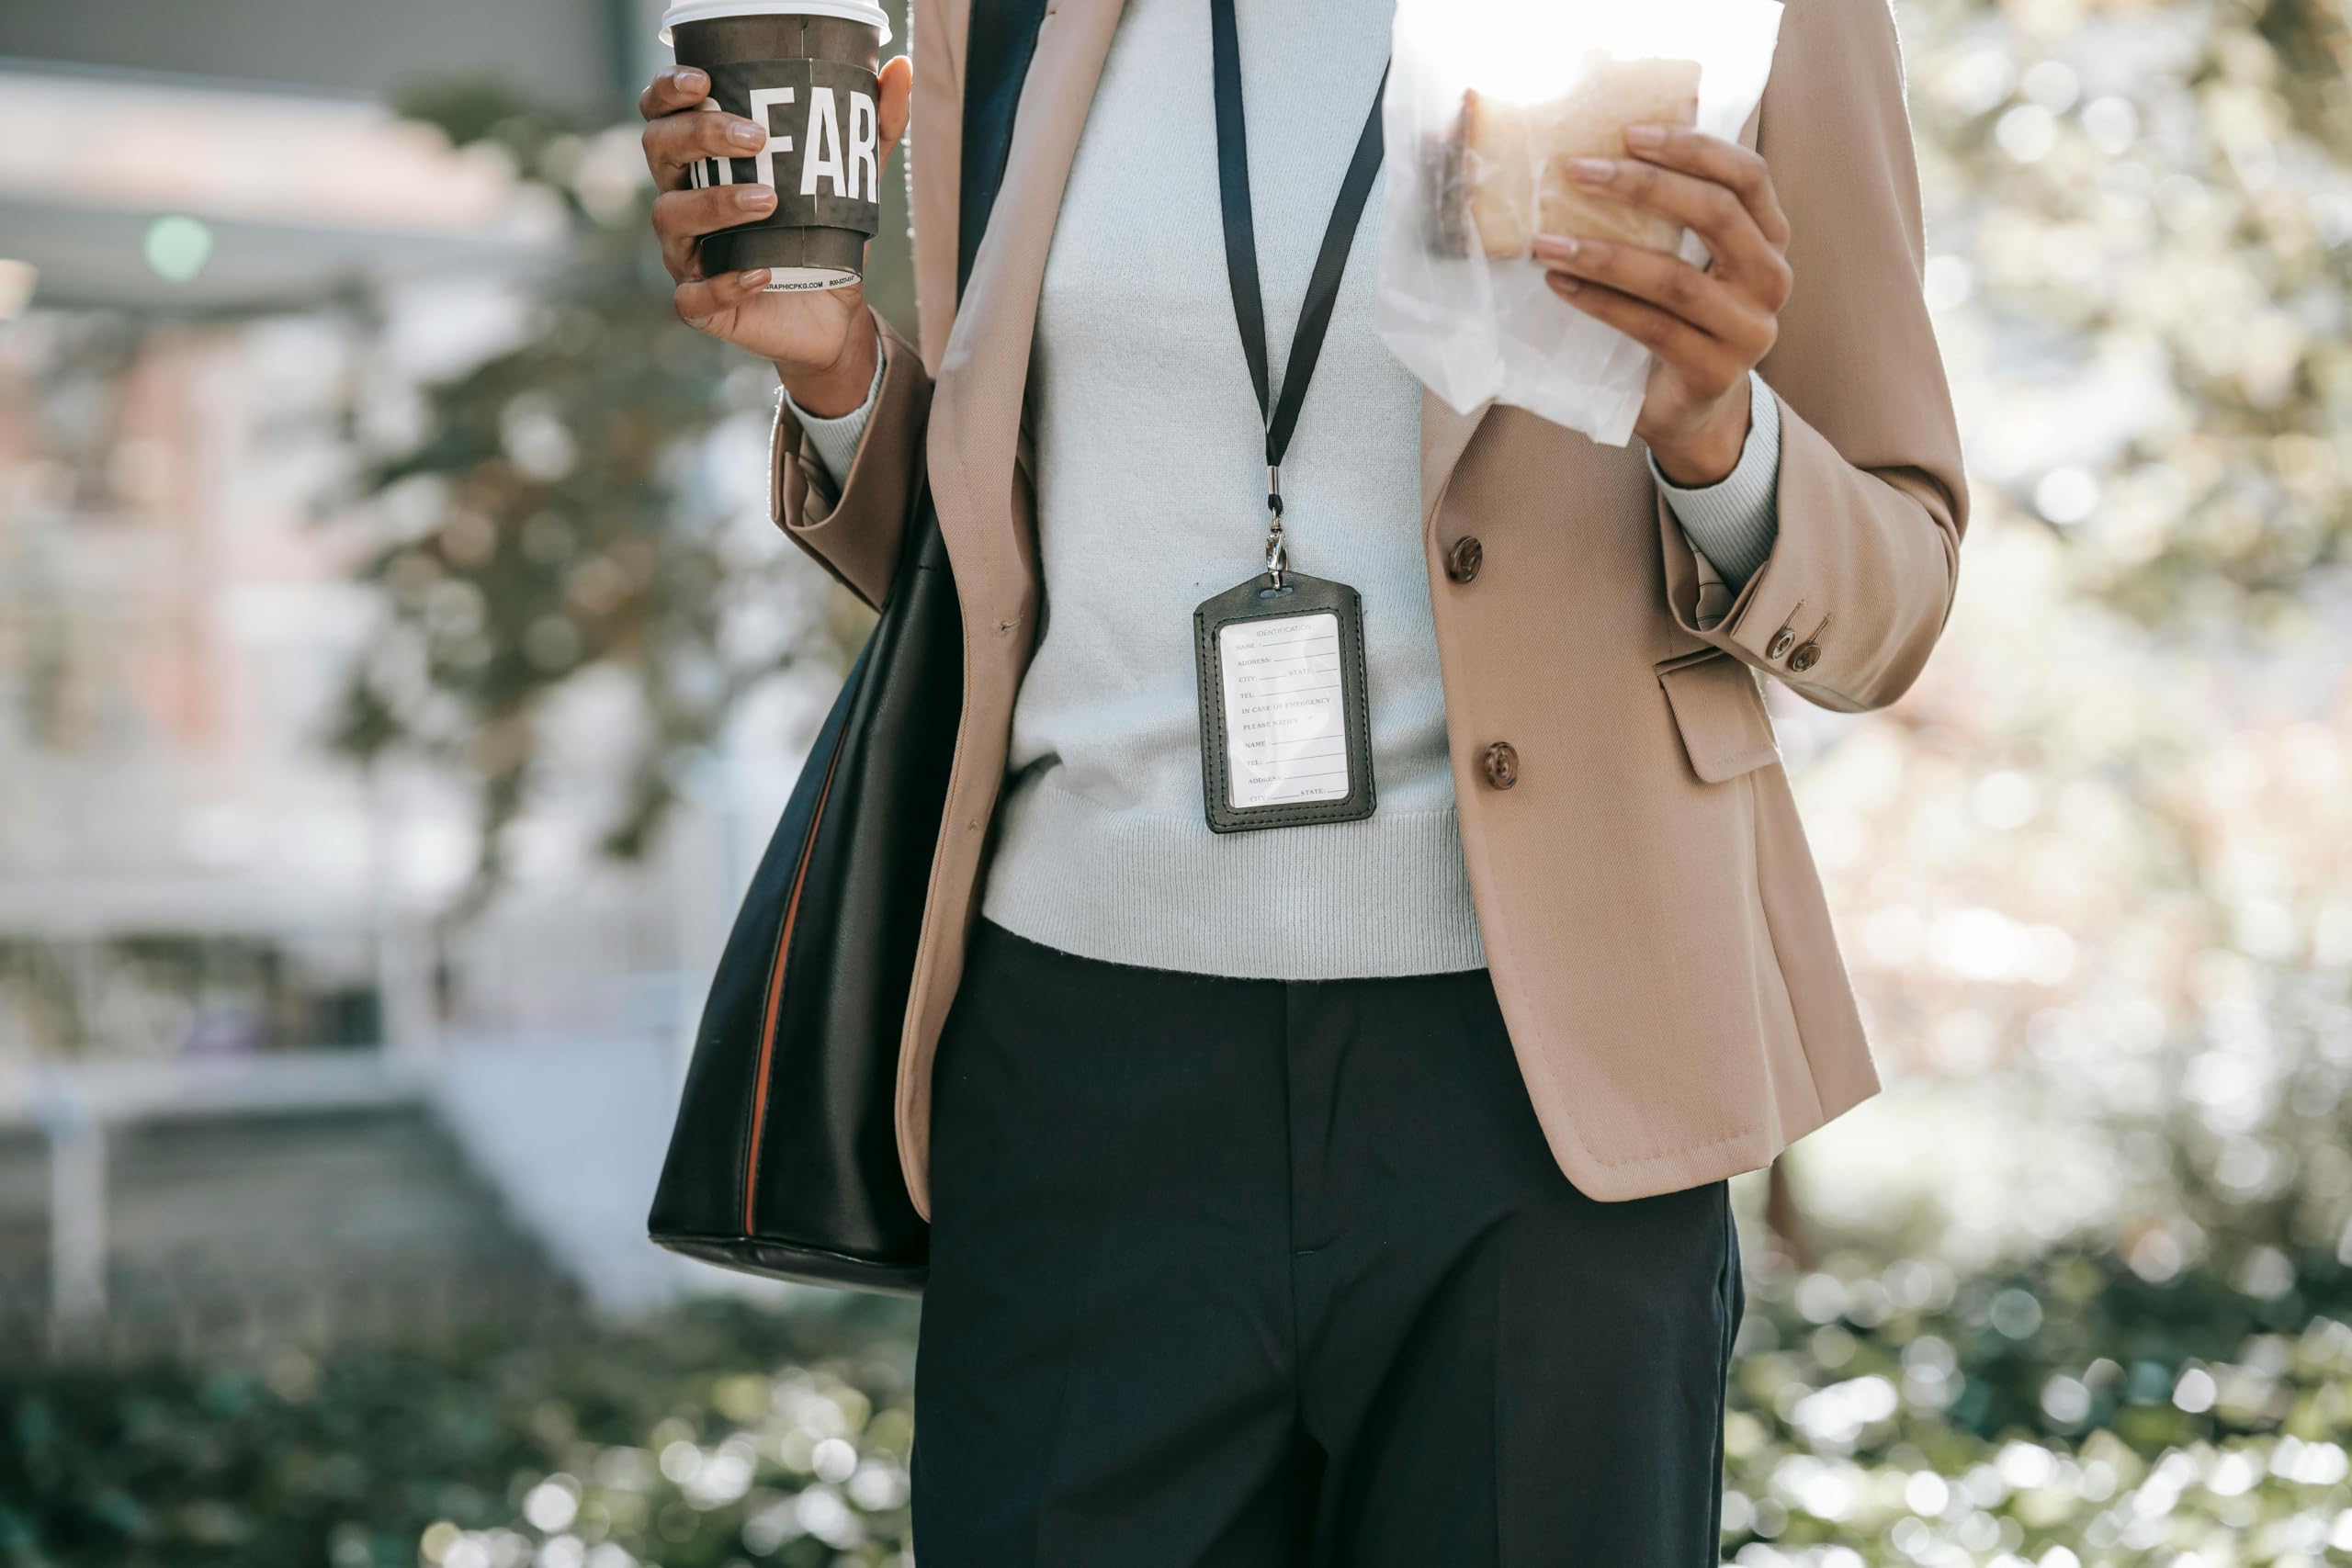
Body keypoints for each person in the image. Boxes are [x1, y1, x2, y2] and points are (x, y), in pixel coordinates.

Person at [639, 0, 1965, 1558]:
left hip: (1547, 1097)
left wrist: (1715, 432)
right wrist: (842, 375)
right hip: (1073, 1071)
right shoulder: (1007, 17)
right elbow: (1002, 579)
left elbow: (1895, 590)